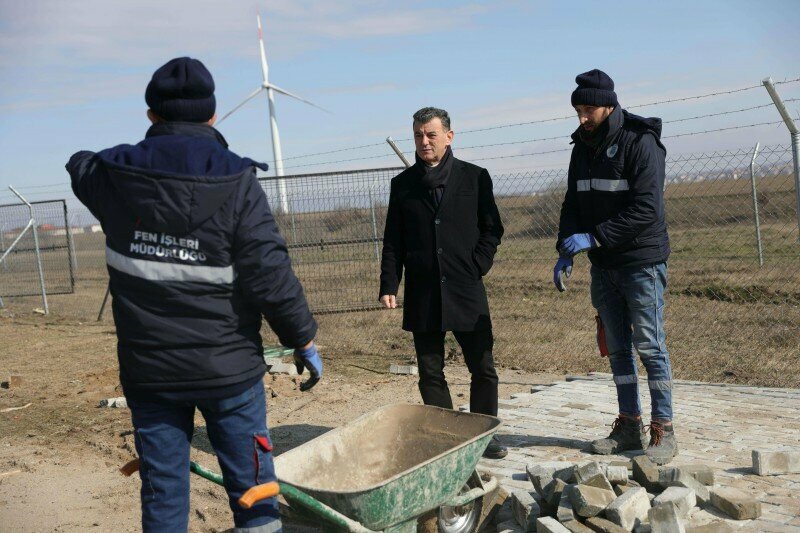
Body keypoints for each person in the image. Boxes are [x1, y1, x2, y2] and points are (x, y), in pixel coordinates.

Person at [66, 57, 321, 532]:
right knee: (253, 488)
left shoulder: (114, 175)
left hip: (150, 373)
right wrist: (302, 338)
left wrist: (133, 156)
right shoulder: (236, 180)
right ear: (213, 116)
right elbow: (270, 274)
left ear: (151, 116)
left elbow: (78, 163)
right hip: (230, 373)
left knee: (163, 491)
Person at [554, 69, 676, 464]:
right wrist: (566, 247)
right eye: (578, 110)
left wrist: (595, 237)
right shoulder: (582, 147)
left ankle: (663, 430)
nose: (582, 118)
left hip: (640, 261)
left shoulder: (641, 143)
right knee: (618, 349)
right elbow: (573, 203)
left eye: (589, 109)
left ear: (609, 105)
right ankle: (628, 426)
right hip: (603, 265)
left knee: (650, 345)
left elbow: (646, 209)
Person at [379, 107, 506, 459]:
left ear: (449, 136)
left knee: (482, 366)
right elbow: (394, 241)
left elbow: (492, 227)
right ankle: (448, 437)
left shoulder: (474, 178)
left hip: (465, 288)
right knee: (430, 371)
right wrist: (390, 283)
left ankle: (483, 434)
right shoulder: (403, 186)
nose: (424, 141)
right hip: (424, 292)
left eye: (431, 134)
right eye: (418, 135)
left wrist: (477, 264)